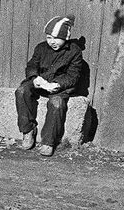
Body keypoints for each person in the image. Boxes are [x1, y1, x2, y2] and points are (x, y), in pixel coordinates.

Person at [15, 15, 83, 157]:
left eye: (56, 38)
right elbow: (32, 65)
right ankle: (28, 130)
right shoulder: (41, 48)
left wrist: (58, 84)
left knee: (57, 104)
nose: (52, 42)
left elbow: (73, 76)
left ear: (66, 38)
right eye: (49, 37)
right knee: (22, 91)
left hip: (58, 86)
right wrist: (35, 78)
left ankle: (48, 141)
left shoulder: (74, 52)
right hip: (41, 81)